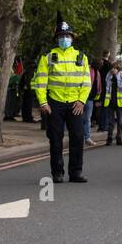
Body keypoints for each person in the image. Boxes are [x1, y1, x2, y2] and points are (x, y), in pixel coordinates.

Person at [33, 16, 91, 183]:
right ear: (56, 39)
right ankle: (57, 173)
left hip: (75, 103)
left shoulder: (81, 57)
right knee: (55, 139)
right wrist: (43, 102)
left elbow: (86, 82)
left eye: (67, 36)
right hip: (55, 103)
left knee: (78, 137)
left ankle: (76, 173)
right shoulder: (48, 57)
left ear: (72, 38)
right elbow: (41, 81)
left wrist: (81, 101)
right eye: (61, 36)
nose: (64, 39)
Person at [103, 60, 122, 145]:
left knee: (120, 122)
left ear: (117, 69)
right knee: (111, 122)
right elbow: (106, 85)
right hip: (110, 102)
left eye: (114, 68)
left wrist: (116, 77)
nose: (112, 70)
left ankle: (119, 138)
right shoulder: (109, 76)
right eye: (112, 68)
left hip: (119, 102)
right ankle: (109, 139)